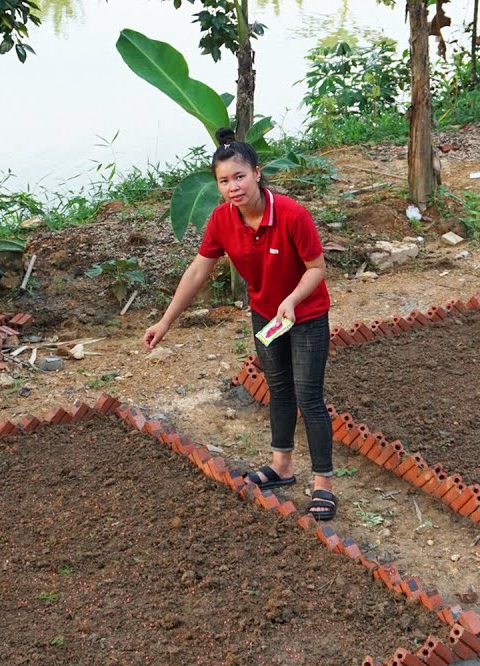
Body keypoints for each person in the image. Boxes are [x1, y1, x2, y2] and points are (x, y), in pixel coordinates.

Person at [143, 127, 338, 521]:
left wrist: (293, 299)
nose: (233, 187)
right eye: (224, 181)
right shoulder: (221, 220)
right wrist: (166, 321)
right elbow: (199, 269)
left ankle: (324, 484)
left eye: (239, 176)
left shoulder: (291, 214)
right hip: (267, 314)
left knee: (308, 396)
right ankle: (281, 467)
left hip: (306, 315)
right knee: (278, 389)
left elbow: (317, 269)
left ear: (257, 173)